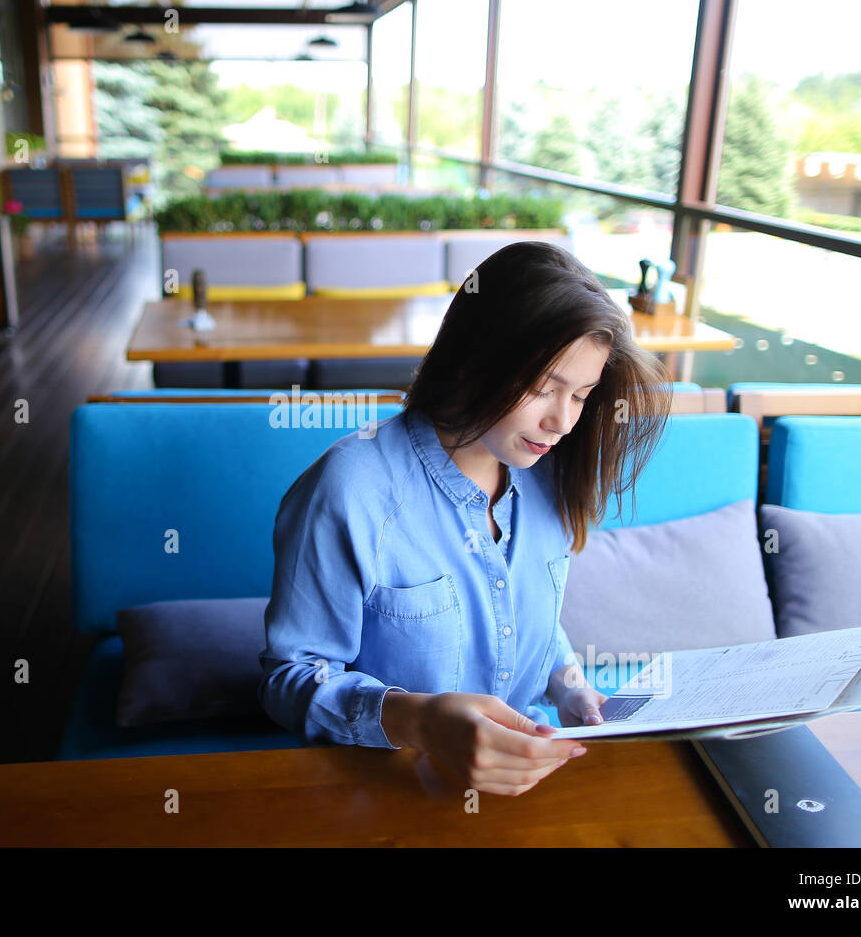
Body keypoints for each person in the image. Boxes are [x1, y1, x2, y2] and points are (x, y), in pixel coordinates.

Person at [258, 241, 672, 796]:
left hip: (524, 785)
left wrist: (571, 685)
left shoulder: (548, 472)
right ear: (475, 359)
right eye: (542, 388)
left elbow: (527, 622)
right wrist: (422, 721)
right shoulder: (352, 489)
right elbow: (292, 678)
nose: (561, 421)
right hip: (383, 792)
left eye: (581, 395)